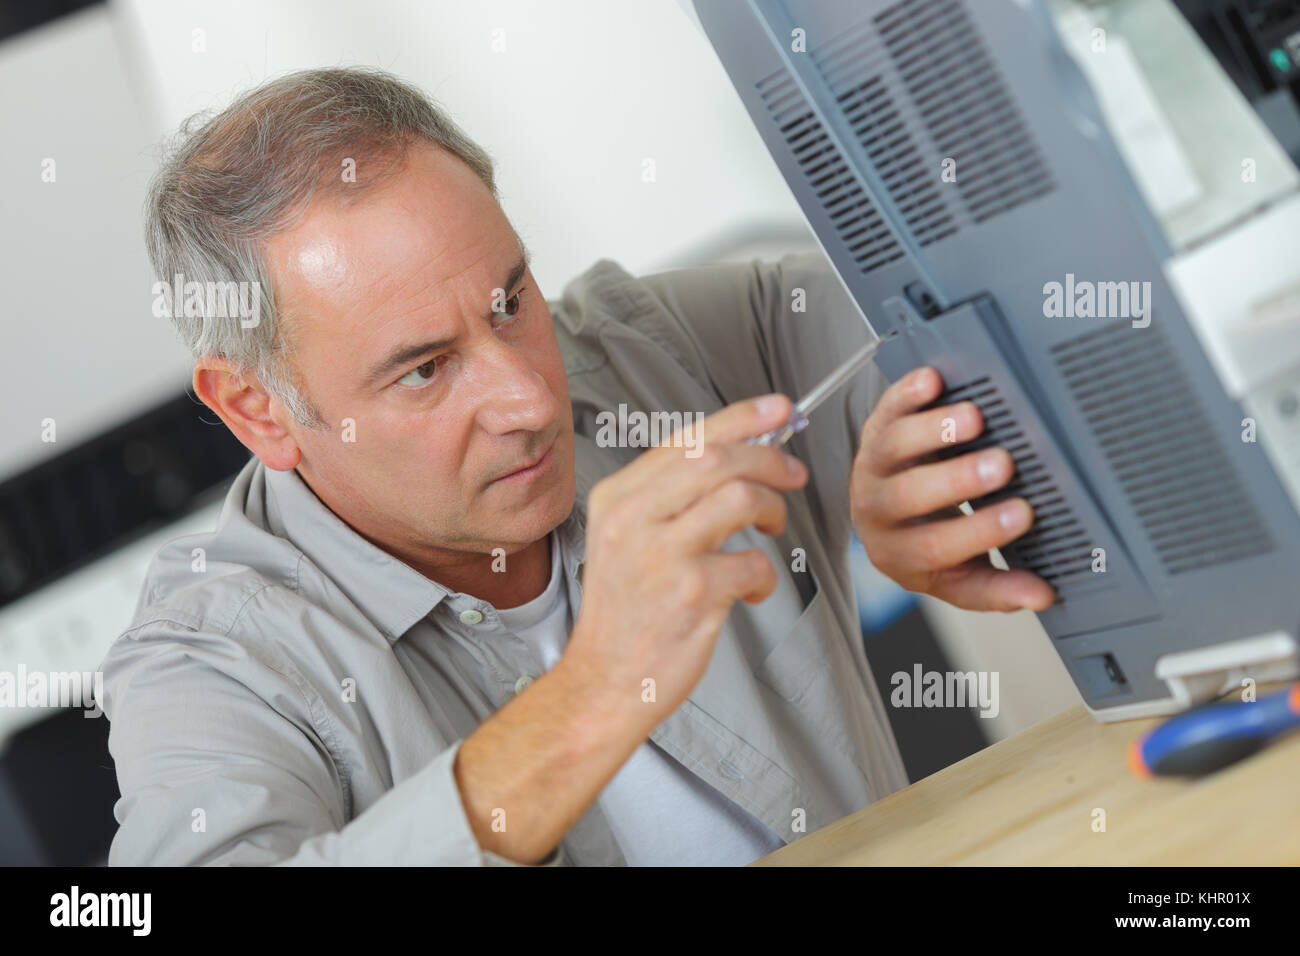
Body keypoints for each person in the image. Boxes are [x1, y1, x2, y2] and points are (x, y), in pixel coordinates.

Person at [102, 67, 1054, 866]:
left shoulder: (660, 352)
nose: (528, 399)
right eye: (426, 370)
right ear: (254, 408)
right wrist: (595, 690)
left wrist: (944, 454)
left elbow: (1013, 311)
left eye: (511, 301)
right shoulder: (210, 666)